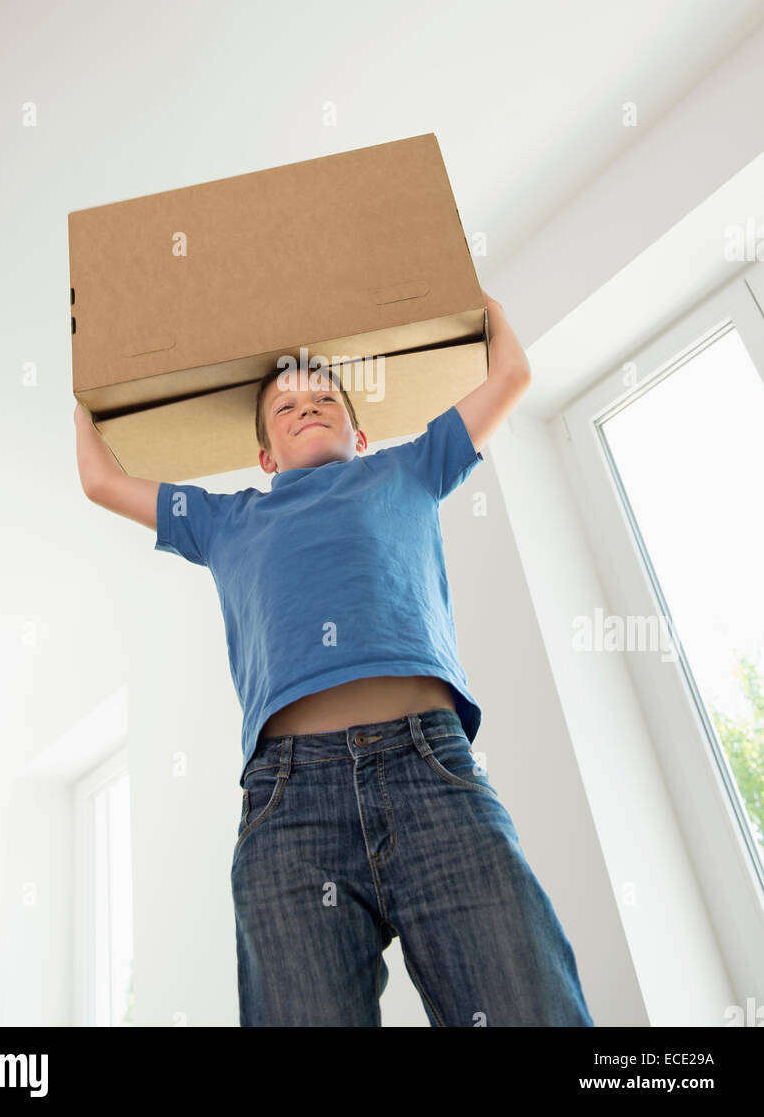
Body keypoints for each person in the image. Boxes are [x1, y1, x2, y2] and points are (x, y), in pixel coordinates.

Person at [74, 294, 594, 1027]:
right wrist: (87, 385)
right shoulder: (226, 519)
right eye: (284, 408)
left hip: (430, 775)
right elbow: (100, 480)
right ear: (263, 457)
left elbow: (510, 374)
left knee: (526, 1006)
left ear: (361, 434)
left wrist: (466, 294)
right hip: (291, 805)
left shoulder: (408, 467)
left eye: (323, 397)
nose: (305, 405)